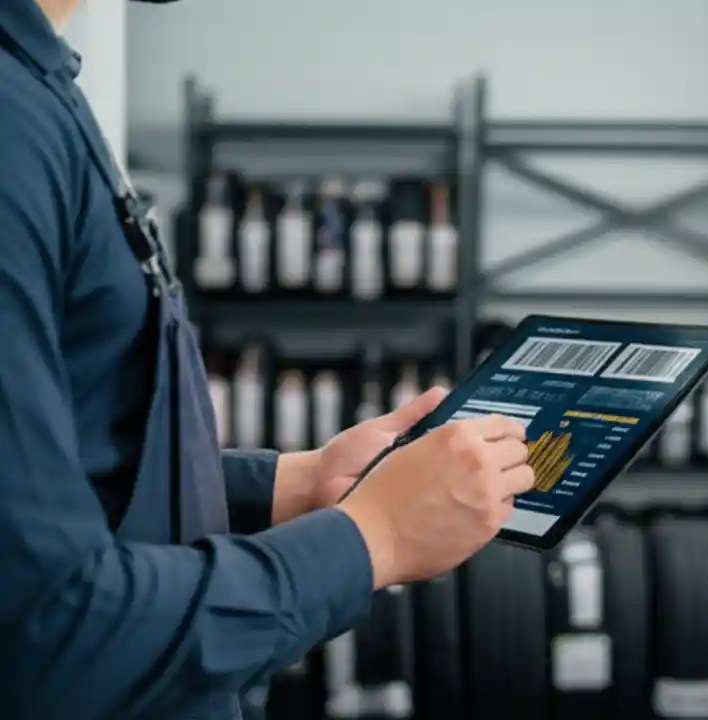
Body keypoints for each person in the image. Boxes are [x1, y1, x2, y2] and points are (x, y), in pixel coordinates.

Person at [0, 1, 536, 717]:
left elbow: (74, 469)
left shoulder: (38, 85)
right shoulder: (9, 123)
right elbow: (49, 633)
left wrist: (292, 483)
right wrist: (371, 538)